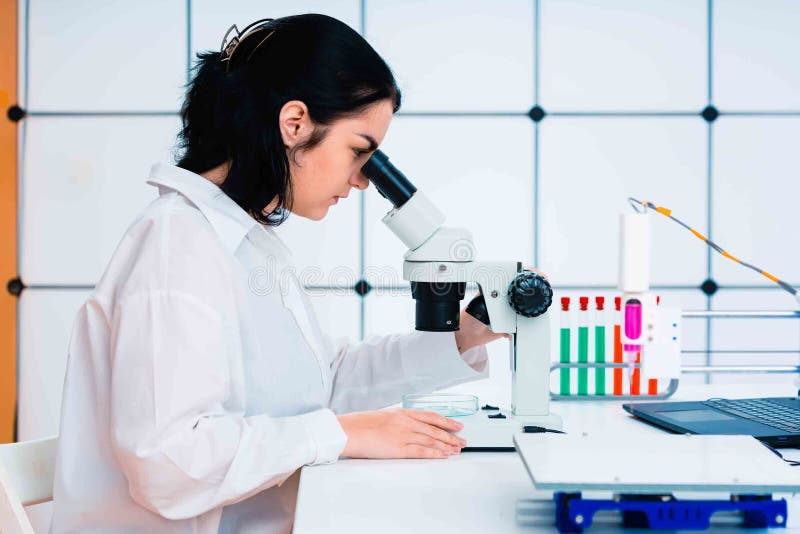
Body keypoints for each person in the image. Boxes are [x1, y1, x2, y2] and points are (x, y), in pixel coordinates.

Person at [50, 14, 504, 533]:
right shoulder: (177, 246)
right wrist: (340, 435)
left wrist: (463, 337)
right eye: (360, 151)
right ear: (295, 124)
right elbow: (167, 466)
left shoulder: (246, 243)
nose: (361, 180)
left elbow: (322, 386)